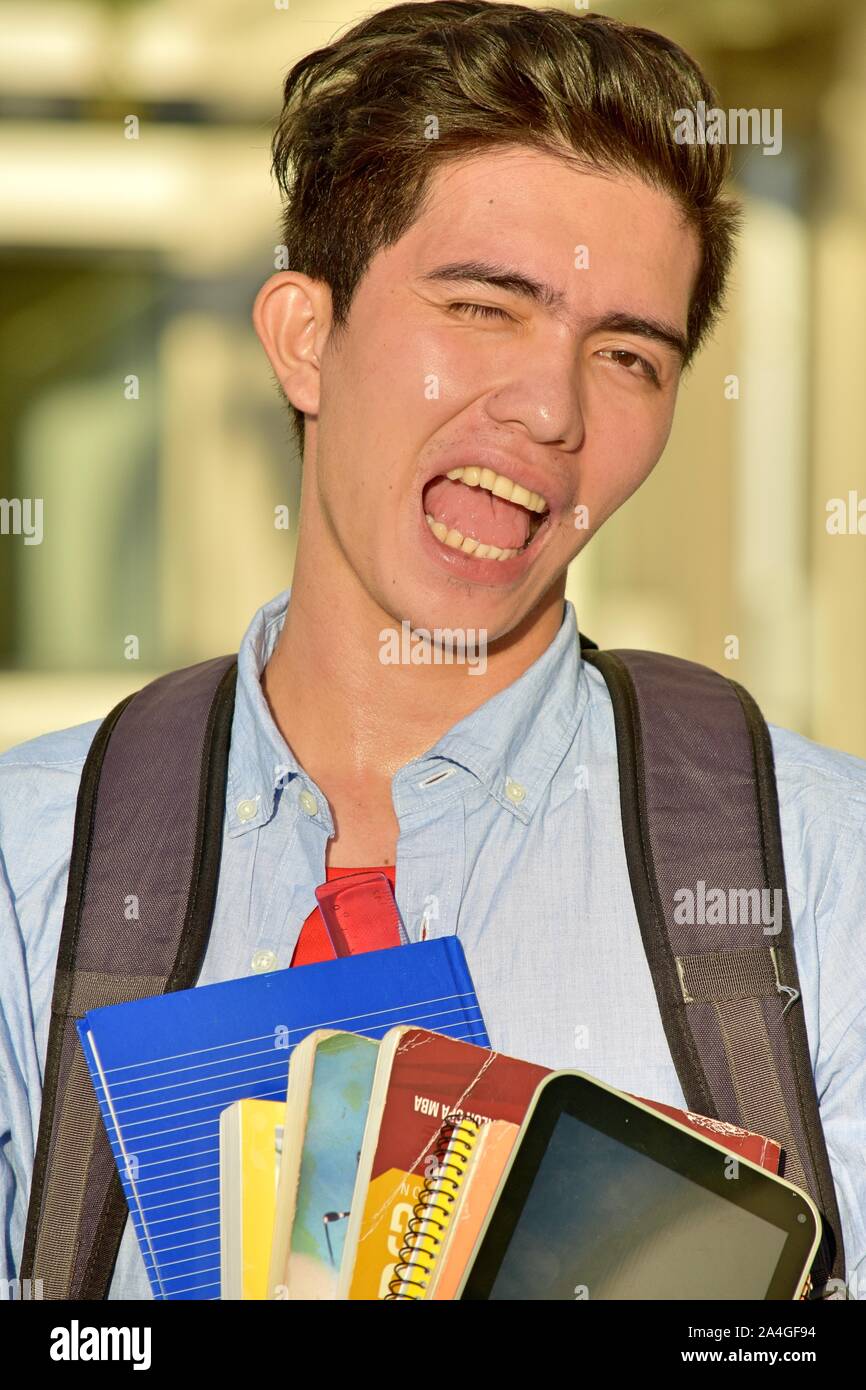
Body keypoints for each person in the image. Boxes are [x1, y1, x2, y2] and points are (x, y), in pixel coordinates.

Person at [1, 2, 863, 1301]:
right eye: (482, 307)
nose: (552, 408)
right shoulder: (31, 869)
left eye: (627, 354)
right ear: (304, 339)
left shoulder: (821, 877)